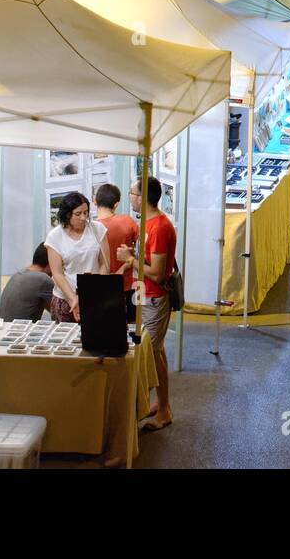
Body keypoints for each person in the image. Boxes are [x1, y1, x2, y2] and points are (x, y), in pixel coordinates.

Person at [118, 176, 177, 430]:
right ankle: (160, 403)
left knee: (151, 353)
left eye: (132, 193)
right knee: (155, 351)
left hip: (154, 296)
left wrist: (130, 260)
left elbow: (157, 272)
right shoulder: (149, 224)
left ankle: (163, 409)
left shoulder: (160, 227)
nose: (130, 197)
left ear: (142, 198)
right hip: (143, 292)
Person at [44, 191, 109, 324]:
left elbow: (105, 264)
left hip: (94, 296)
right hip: (66, 298)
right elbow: (57, 274)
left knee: (94, 340)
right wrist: (73, 299)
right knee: (66, 342)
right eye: (78, 214)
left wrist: (96, 289)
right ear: (67, 214)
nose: (83, 218)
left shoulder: (97, 229)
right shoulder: (55, 237)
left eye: (86, 212)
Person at [94, 184, 139, 321]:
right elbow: (142, 250)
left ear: (95, 201)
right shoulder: (128, 222)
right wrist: (125, 266)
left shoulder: (92, 228)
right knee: (132, 329)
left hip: (101, 288)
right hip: (129, 285)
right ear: (116, 204)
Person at [0, 244, 54, 322]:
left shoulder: (19, 274)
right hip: (20, 332)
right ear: (51, 264)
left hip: (5, 330)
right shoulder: (43, 280)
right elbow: (58, 313)